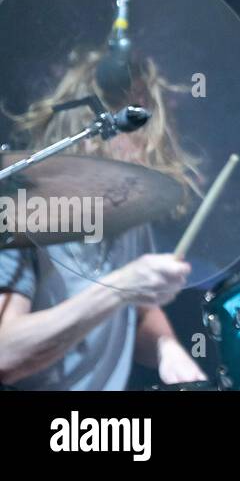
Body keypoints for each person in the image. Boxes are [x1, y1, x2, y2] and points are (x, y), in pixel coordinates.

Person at [0, 49, 207, 389]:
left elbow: (140, 310)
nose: (153, 137)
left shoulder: (126, 208)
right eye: (135, 121)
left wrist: (166, 346)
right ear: (95, 132)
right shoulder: (20, 209)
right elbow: (5, 353)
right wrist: (121, 287)